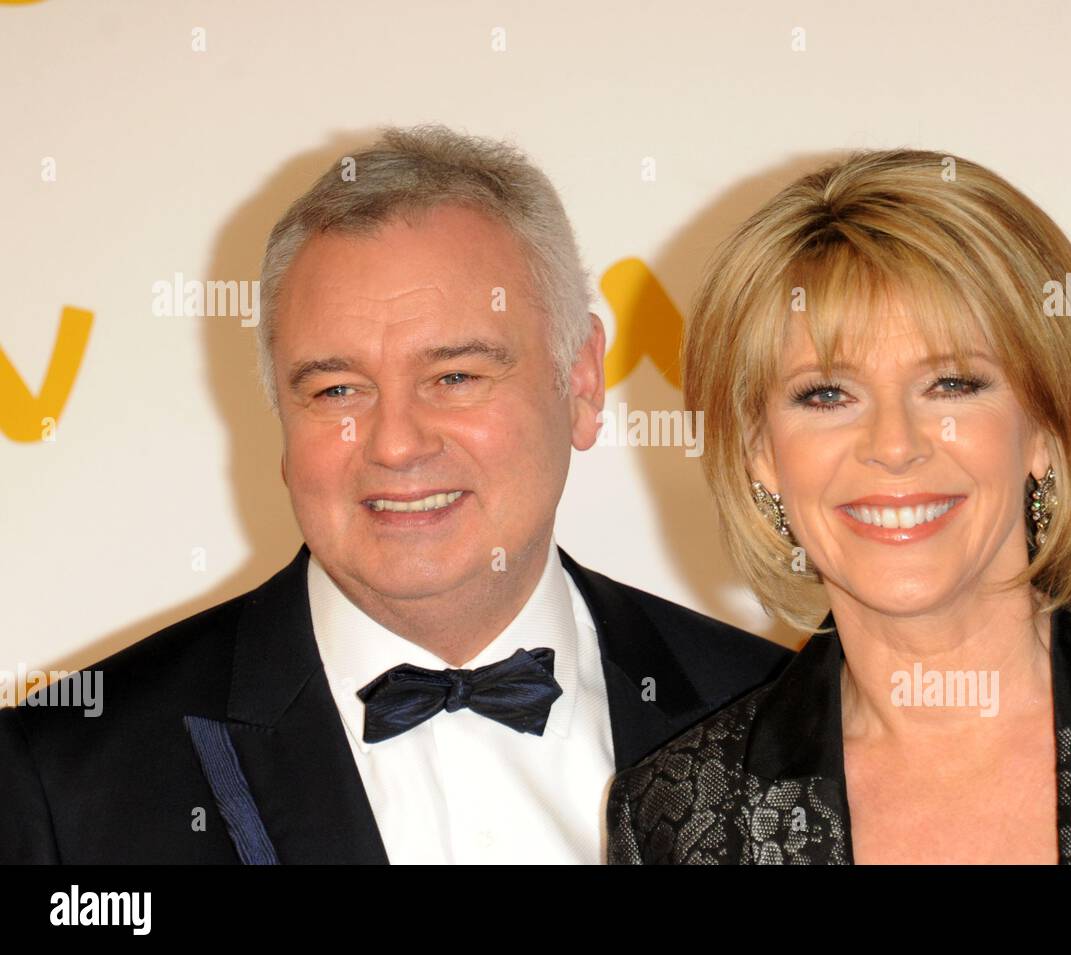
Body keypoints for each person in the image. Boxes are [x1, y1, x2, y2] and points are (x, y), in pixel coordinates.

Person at [0, 125, 791, 864]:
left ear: (580, 381)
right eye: (338, 390)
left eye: (455, 376)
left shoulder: (786, 722)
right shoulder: (63, 779)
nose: (396, 443)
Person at [605, 148, 1071, 864]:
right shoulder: (680, 815)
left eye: (952, 384)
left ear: (1046, 426)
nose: (894, 445)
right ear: (760, 453)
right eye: (827, 395)